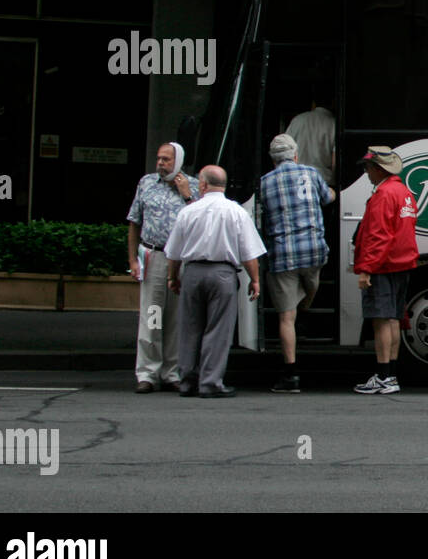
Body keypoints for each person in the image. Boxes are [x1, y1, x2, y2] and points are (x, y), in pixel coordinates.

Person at [165, 166, 267, 398]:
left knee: (190, 327)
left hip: (192, 273)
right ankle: (210, 382)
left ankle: (188, 380)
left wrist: (173, 277)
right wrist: (255, 280)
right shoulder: (237, 212)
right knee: (218, 329)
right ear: (224, 185)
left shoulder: (188, 212)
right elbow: (249, 253)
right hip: (223, 275)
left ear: (202, 185)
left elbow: (174, 252)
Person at [260, 134, 336, 394]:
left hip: (283, 254)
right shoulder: (311, 173)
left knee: (285, 317)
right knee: (311, 286)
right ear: (295, 155)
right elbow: (328, 198)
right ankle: (305, 311)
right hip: (313, 250)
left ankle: (290, 374)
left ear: (273, 160)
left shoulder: (265, 182)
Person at [125, 142, 199, 394]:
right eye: (159, 158)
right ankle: (147, 373)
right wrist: (133, 260)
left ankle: (172, 372)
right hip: (154, 256)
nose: (161, 163)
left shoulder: (194, 185)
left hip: (180, 259)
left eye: (166, 159)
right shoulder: (146, 183)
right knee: (152, 314)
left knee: (177, 318)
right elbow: (134, 222)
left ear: (178, 161)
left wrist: (187, 194)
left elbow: (201, 223)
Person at [352, 146, 419, 395]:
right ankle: (390, 375)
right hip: (402, 264)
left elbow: (378, 235)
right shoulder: (404, 192)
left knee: (381, 320)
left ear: (378, 169)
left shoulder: (383, 195)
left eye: (368, 168)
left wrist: (366, 269)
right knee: (393, 319)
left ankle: (382, 376)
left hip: (383, 265)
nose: (367, 172)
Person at [285, 94, 336, 185]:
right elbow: (334, 162)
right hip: (323, 180)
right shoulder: (333, 124)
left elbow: (285, 151)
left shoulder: (297, 120)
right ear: (333, 103)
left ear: (314, 103)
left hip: (297, 179)